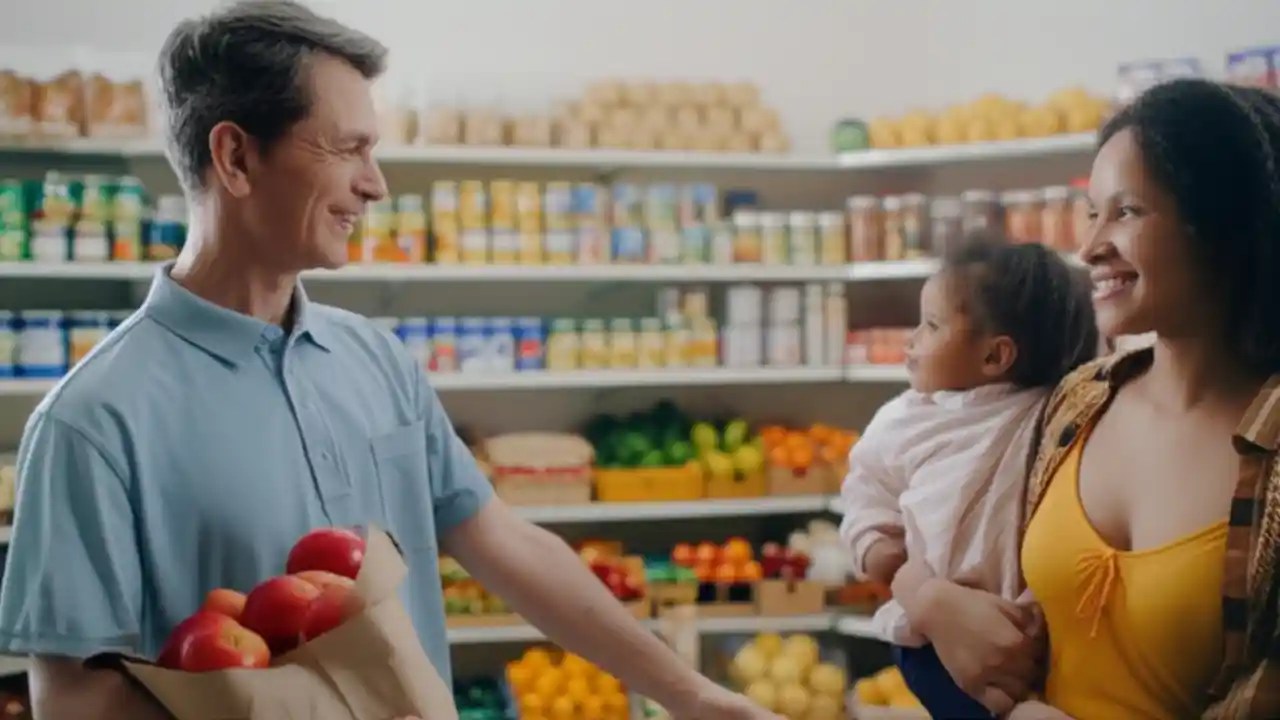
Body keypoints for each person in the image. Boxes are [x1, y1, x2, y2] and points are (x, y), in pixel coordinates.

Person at [0, 3, 779, 719]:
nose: (374, 185)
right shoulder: (92, 421)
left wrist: (691, 696)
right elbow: (71, 697)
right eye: (348, 149)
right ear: (236, 157)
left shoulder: (376, 360)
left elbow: (504, 546)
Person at [893, 78, 1280, 719]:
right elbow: (952, 537)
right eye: (1092, 212)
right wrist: (932, 601)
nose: (1090, 246)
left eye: (1126, 212)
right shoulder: (1080, 401)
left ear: (1221, 223)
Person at [839, 237, 1096, 718]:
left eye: (930, 325)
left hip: (1025, 634)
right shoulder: (906, 419)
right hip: (929, 644)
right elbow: (866, 496)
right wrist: (885, 556)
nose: (911, 340)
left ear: (996, 357)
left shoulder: (1048, 411)